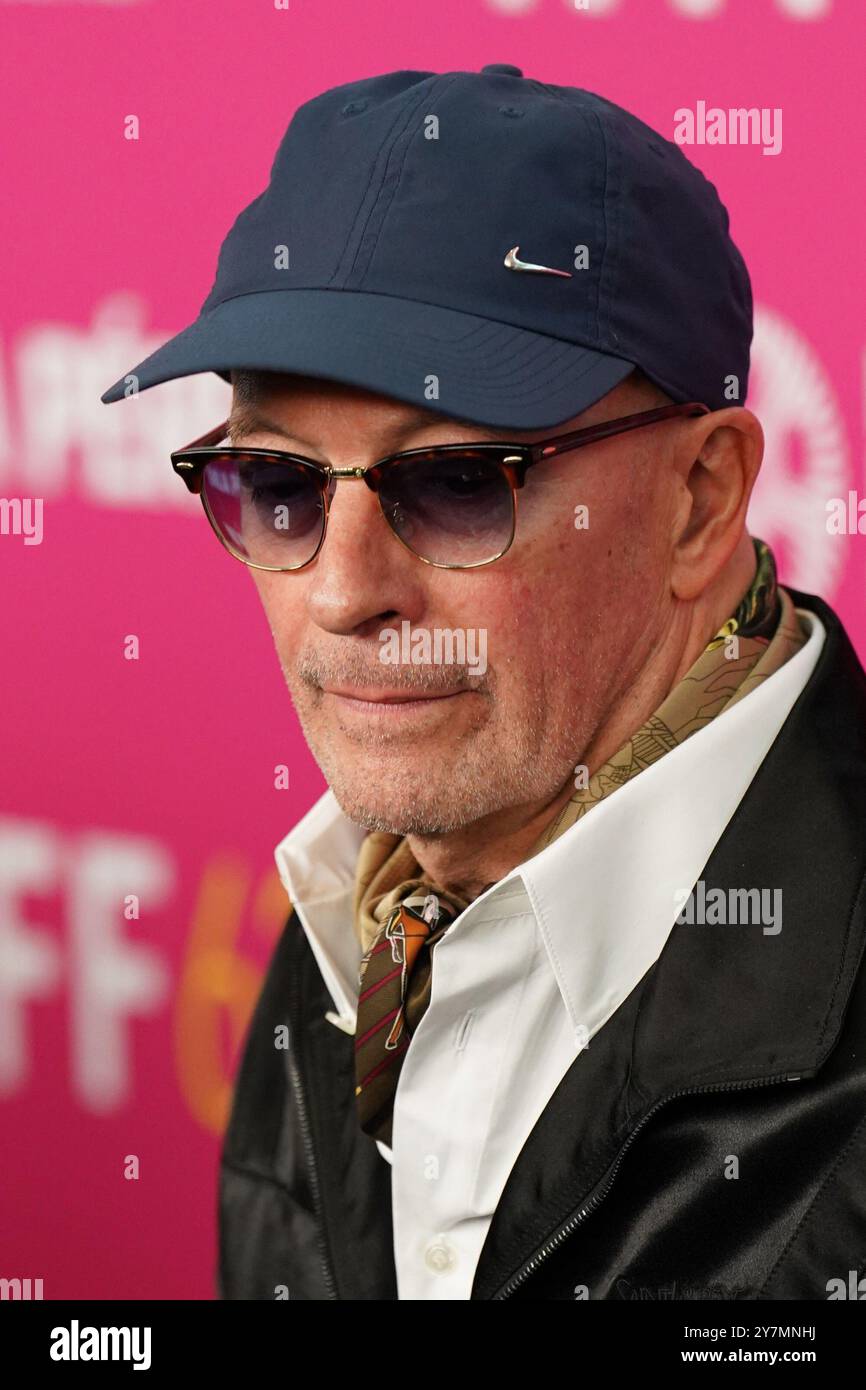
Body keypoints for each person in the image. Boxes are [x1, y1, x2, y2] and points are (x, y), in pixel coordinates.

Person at [101, 65, 866, 1301]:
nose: (343, 594)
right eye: (281, 486)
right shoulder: (354, 918)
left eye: (455, 483)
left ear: (699, 500)